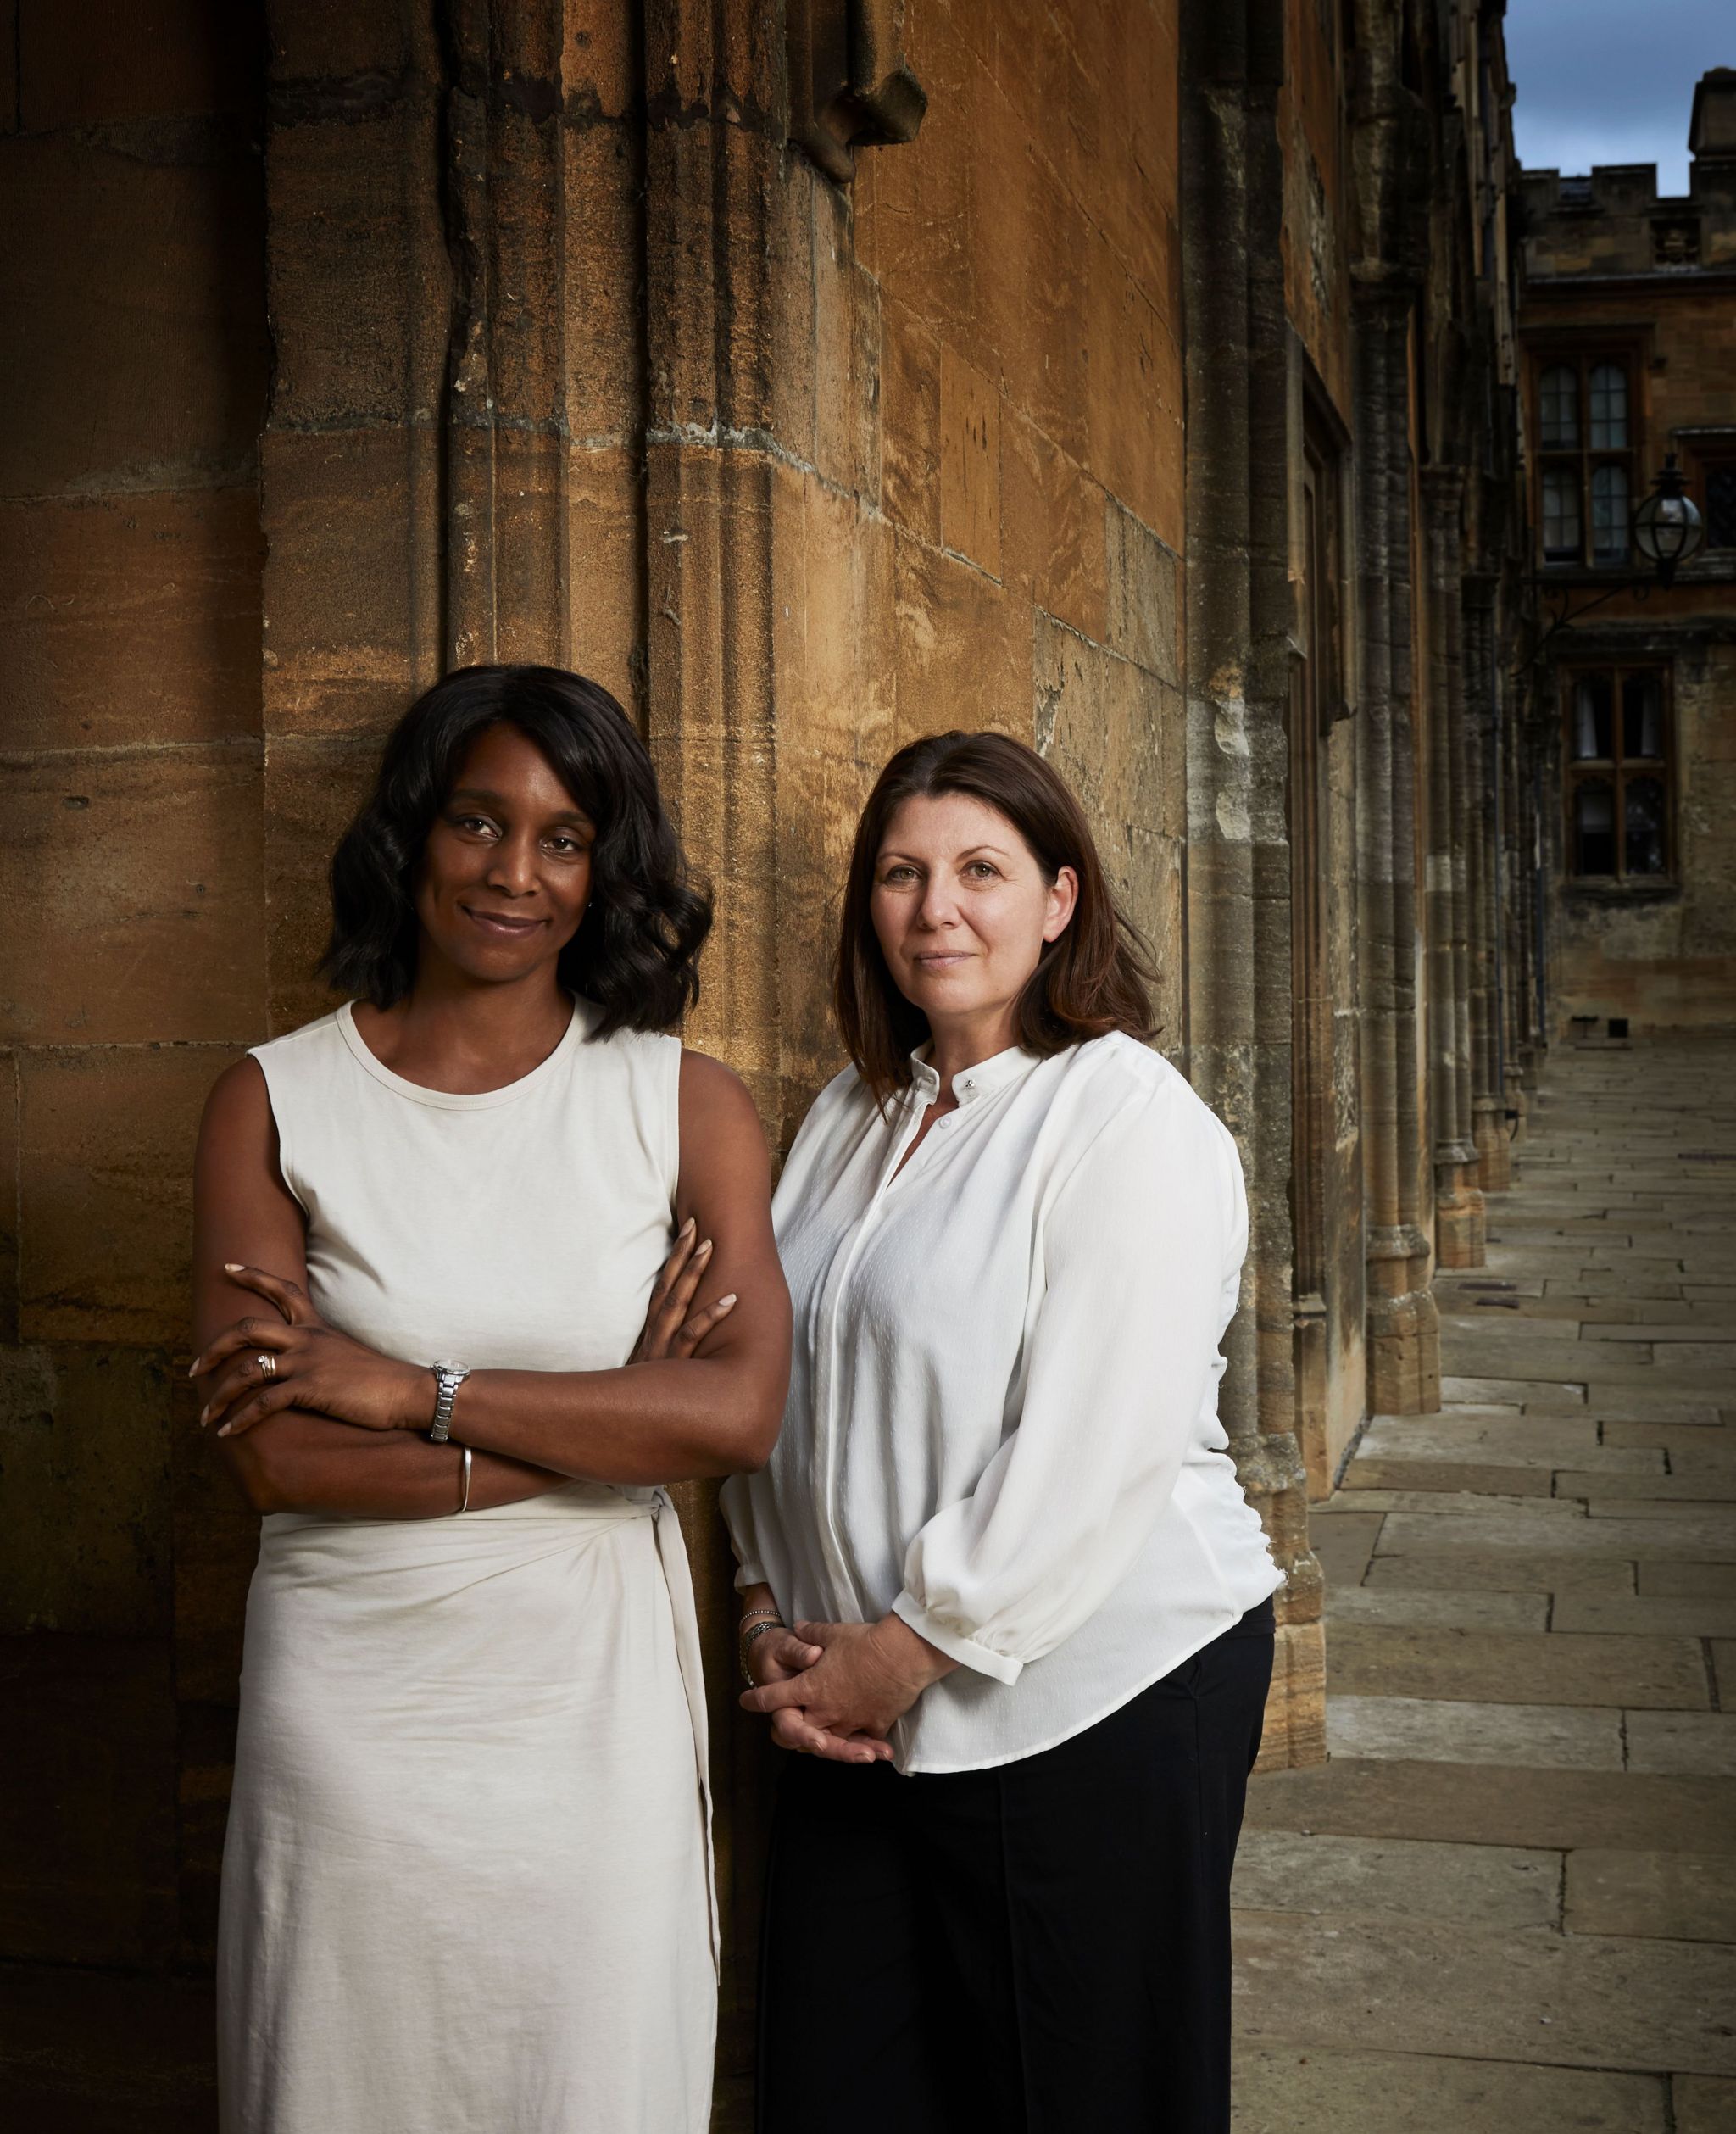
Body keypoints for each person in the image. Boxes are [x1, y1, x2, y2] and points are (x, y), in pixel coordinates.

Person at [191, 664, 791, 2134]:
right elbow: (274, 1457)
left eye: (566, 836)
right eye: (478, 820)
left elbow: (738, 1419)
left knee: (583, 2082)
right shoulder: (273, 1098)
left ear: (608, 867)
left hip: (589, 1710)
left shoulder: (682, 1104)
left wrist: (409, 1392)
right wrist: (610, 1426)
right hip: (351, 1706)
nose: (515, 871)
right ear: (413, 833)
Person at [722, 731, 1283, 2134]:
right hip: (853, 1703)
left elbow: (1097, 1440)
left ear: (1060, 900)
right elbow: (780, 1378)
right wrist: (761, 1599)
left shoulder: (1126, 1118)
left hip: (1098, 1689)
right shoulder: (854, 1111)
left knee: (1075, 2093)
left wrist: (904, 1651)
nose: (936, 908)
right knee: (842, 2086)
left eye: (982, 869)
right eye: (902, 873)